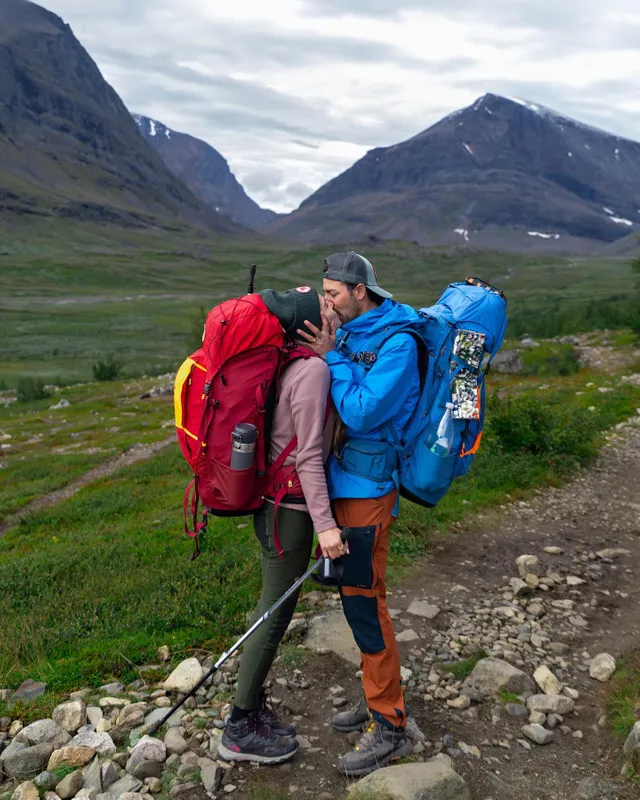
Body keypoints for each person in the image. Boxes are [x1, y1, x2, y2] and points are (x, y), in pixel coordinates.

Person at [298, 252, 421, 777]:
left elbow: (363, 410)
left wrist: (332, 356)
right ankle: (376, 701)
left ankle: (390, 724)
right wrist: (332, 340)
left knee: (366, 601)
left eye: (332, 293)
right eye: (324, 293)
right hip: (344, 481)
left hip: (369, 488)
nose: (327, 301)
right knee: (354, 597)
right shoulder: (351, 330)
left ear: (360, 291)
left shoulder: (398, 342)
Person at [219, 286, 344, 765]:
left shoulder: (289, 362)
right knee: (273, 617)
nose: (334, 314)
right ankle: (238, 727)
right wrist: (326, 526)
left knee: (272, 610)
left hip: (275, 506)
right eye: (327, 311)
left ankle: (251, 711)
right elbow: (309, 455)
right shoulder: (310, 371)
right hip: (288, 512)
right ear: (310, 326)